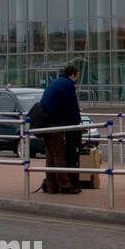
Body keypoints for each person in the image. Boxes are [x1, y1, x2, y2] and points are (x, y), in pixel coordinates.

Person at [40, 64, 82, 194]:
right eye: (77, 76)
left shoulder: (56, 82)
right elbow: (71, 105)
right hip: (54, 125)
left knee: (51, 155)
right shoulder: (67, 85)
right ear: (73, 74)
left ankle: (51, 185)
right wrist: (77, 121)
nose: (76, 79)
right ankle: (65, 185)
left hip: (45, 124)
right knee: (59, 155)